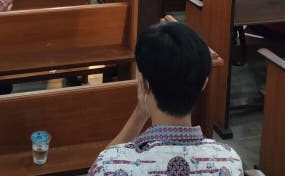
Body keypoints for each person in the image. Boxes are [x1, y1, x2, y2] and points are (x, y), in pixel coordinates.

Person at [89, 21, 244, 176]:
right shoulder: (229, 162)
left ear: (143, 84)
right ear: (203, 84)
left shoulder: (111, 166)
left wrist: (140, 113)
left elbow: (101, 165)